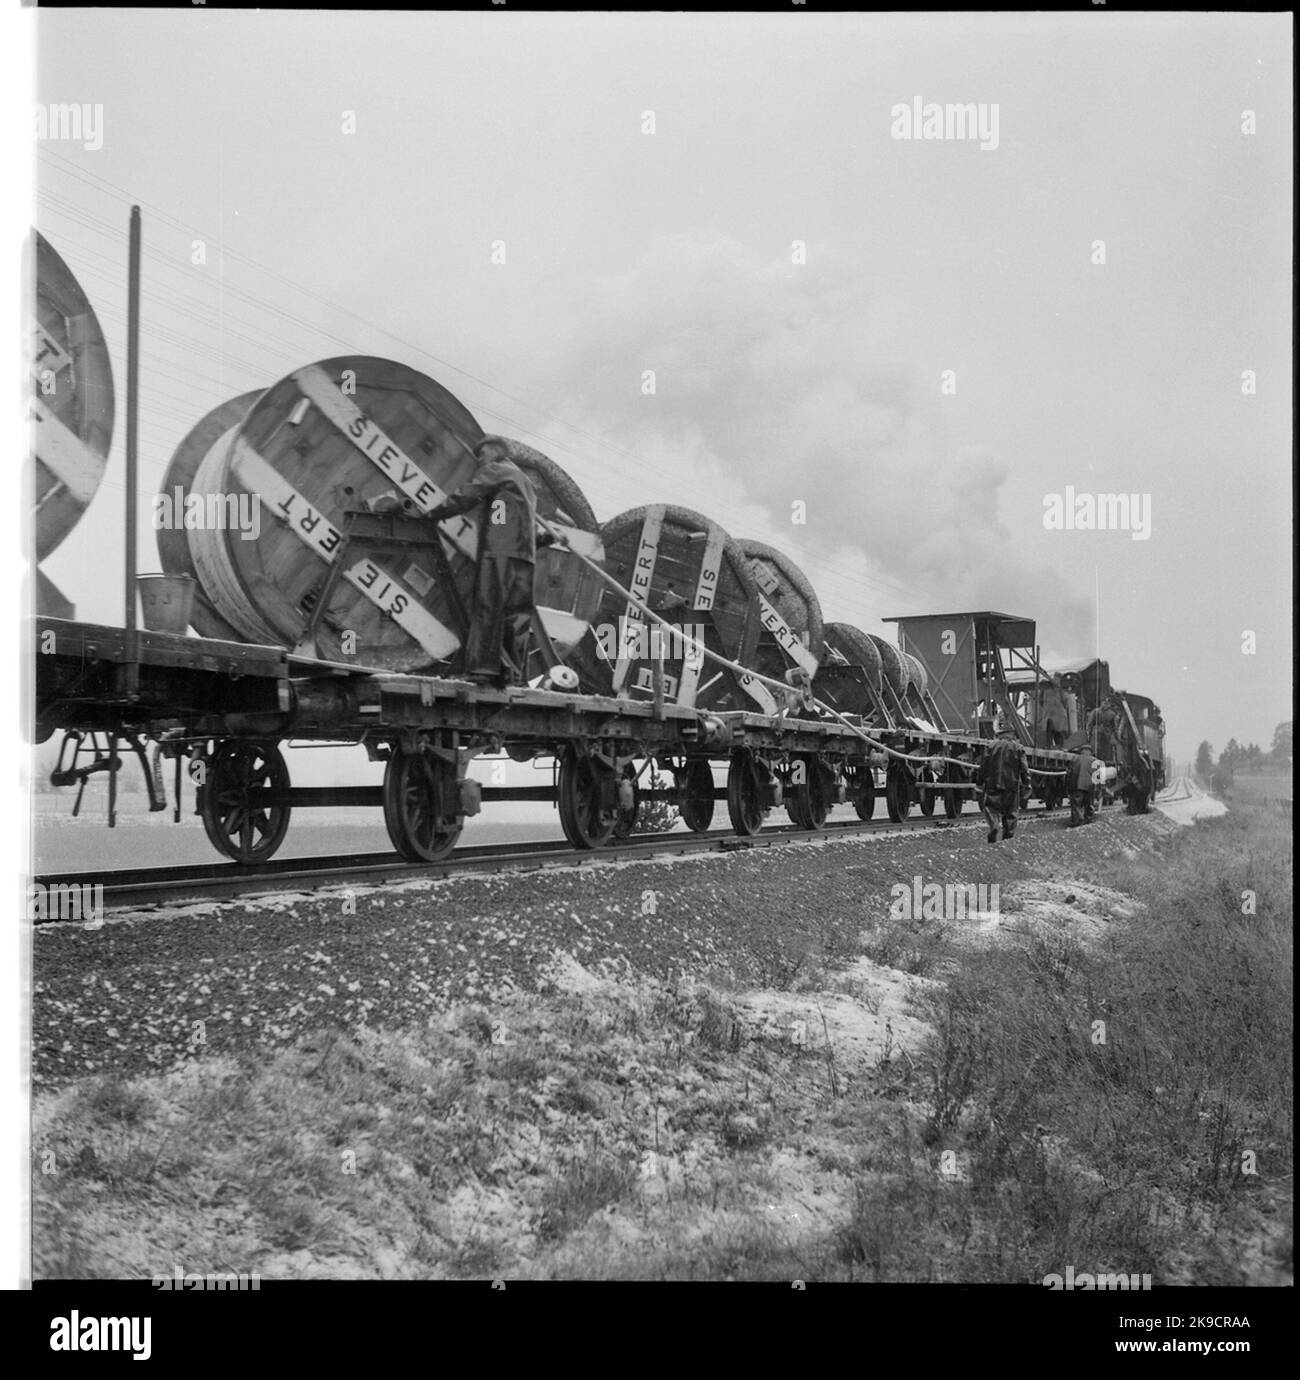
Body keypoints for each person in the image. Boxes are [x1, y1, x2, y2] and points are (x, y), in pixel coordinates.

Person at [426, 436, 555, 686]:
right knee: (517, 617)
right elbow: (518, 522)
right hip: (525, 558)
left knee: (489, 607)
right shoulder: (525, 484)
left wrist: (432, 513)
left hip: (499, 551)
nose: (479, 461)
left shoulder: (497, 469)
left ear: (496, 451)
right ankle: (513, 674)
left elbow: (466, 495)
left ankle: (483, 669)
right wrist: (543, 539)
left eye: (482, 454)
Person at [975, 718, 1032, 844]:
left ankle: (994, 827)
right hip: (1011, 786)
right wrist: (1027, 785)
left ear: (999, 734)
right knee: (1011, 813)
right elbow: (1024, 769)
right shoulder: (1018, 748)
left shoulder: (990, 746)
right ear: (1011, 734)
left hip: (993, 784)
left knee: (991, 809)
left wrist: (979, 783)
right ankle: (1008, 840)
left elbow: (983, 767)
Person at [1068, 742, 1098, 827]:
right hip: (1089, 787)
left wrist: (1070, 786)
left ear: (1081, 751)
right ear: (1090, 751)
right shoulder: (1094, 760)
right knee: (1088, 804)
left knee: (1077, 804)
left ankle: (1077, 822)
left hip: (1077, 786)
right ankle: (1088, 820)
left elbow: (1069, 772)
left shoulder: (1075, 758)